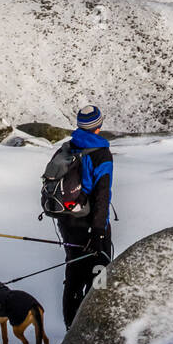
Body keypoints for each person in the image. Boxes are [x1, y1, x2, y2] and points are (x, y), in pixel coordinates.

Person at [58, 104, 114, 329]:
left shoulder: (70, 146)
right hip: (90, 222)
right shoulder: (101, 153)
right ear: (98, 126)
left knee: (73, 273)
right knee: (99, 273)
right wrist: (99, 230)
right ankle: (95, 327)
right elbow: (102, 194)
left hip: (67, 220)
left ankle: (71, 327)